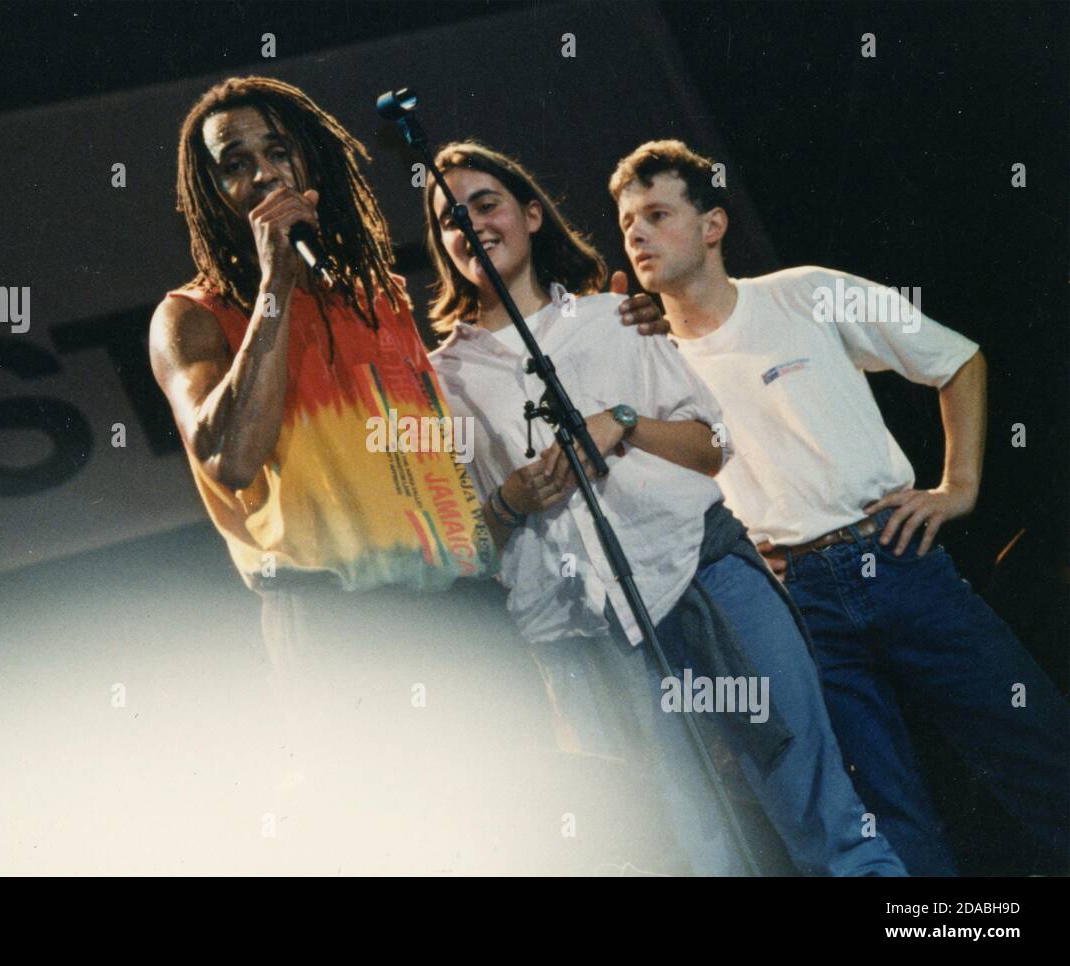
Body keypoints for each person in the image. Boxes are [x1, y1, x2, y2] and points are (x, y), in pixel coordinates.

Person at [423, 141, 906, 875]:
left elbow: (711, 445)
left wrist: (620, 419)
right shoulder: (440, 378)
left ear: (529, 212)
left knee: (818, 806)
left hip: (705, 577)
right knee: (688, 844)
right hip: (583, 629)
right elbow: (460, 541)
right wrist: (513, 498)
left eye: (485, 203)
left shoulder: (617, 317)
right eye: (449, 219)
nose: (470, 225)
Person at [607, 138, 1070, 874]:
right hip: (795, 603)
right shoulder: (652, 364)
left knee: (1036, 746)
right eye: (627, 220)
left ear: (713, 224)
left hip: (897, 555)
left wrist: (959, 488)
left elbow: (957, 360)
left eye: (657, 213)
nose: (635, 233)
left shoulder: (807, 292)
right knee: (887, 813)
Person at [148, 79, 549, 870]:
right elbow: (229, 453)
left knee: (521, 833)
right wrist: (274, 289)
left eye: (277, 149)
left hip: (466, 612)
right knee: (395, 843)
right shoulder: (190, 315)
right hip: (337, 624)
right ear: (211, 192)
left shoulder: (380, 296)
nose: (261, 173)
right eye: (235, 163)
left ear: (312, 162)